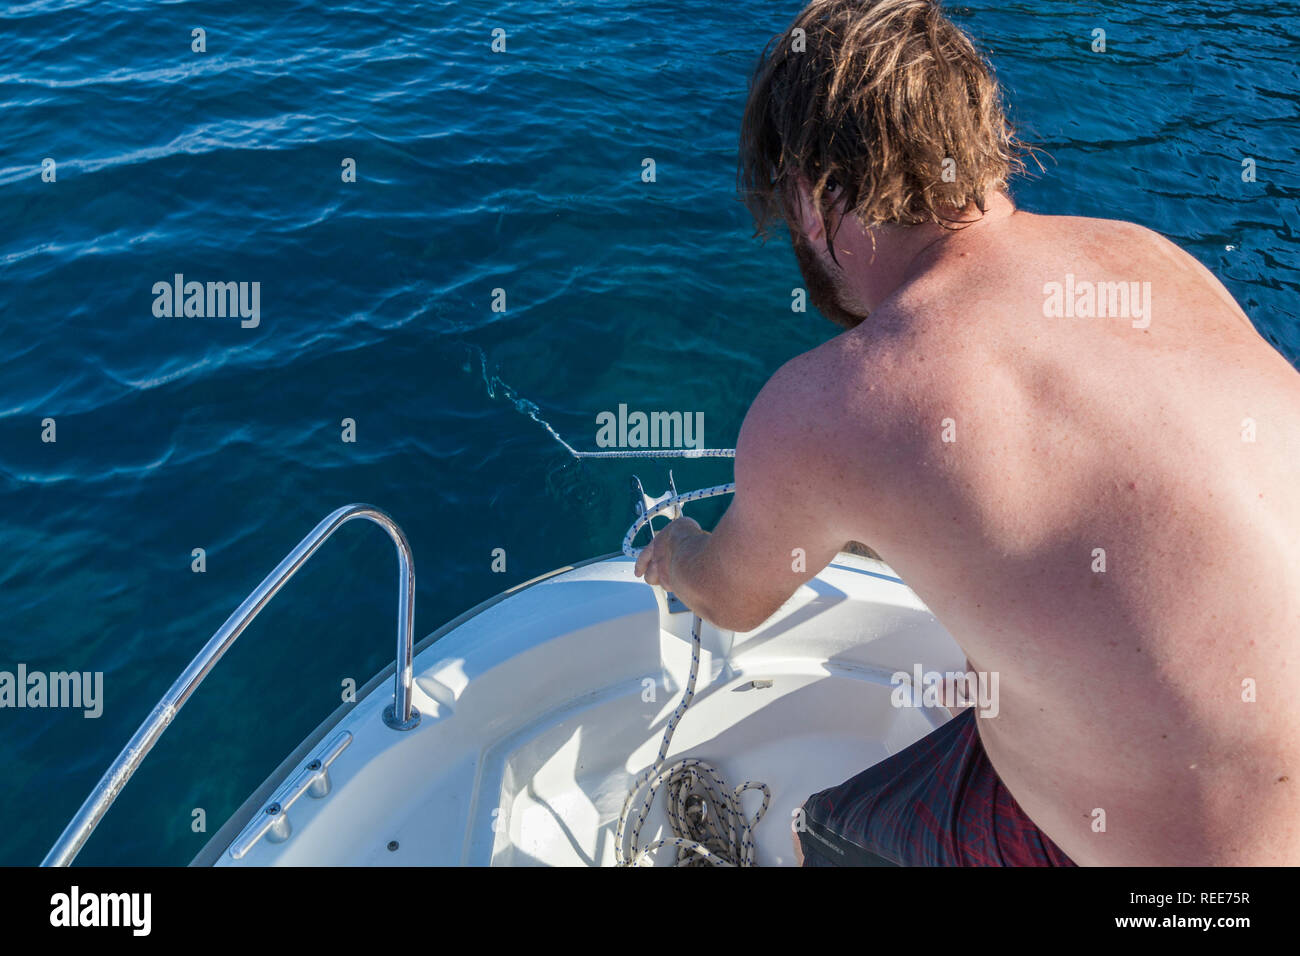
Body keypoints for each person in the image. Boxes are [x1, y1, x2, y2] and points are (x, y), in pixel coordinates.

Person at [634, 0, 1300, 866]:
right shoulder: (1147, 258)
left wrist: (677, 551)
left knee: (826, 831)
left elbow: (733, 599)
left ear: (810, 198)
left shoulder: (831, 401)